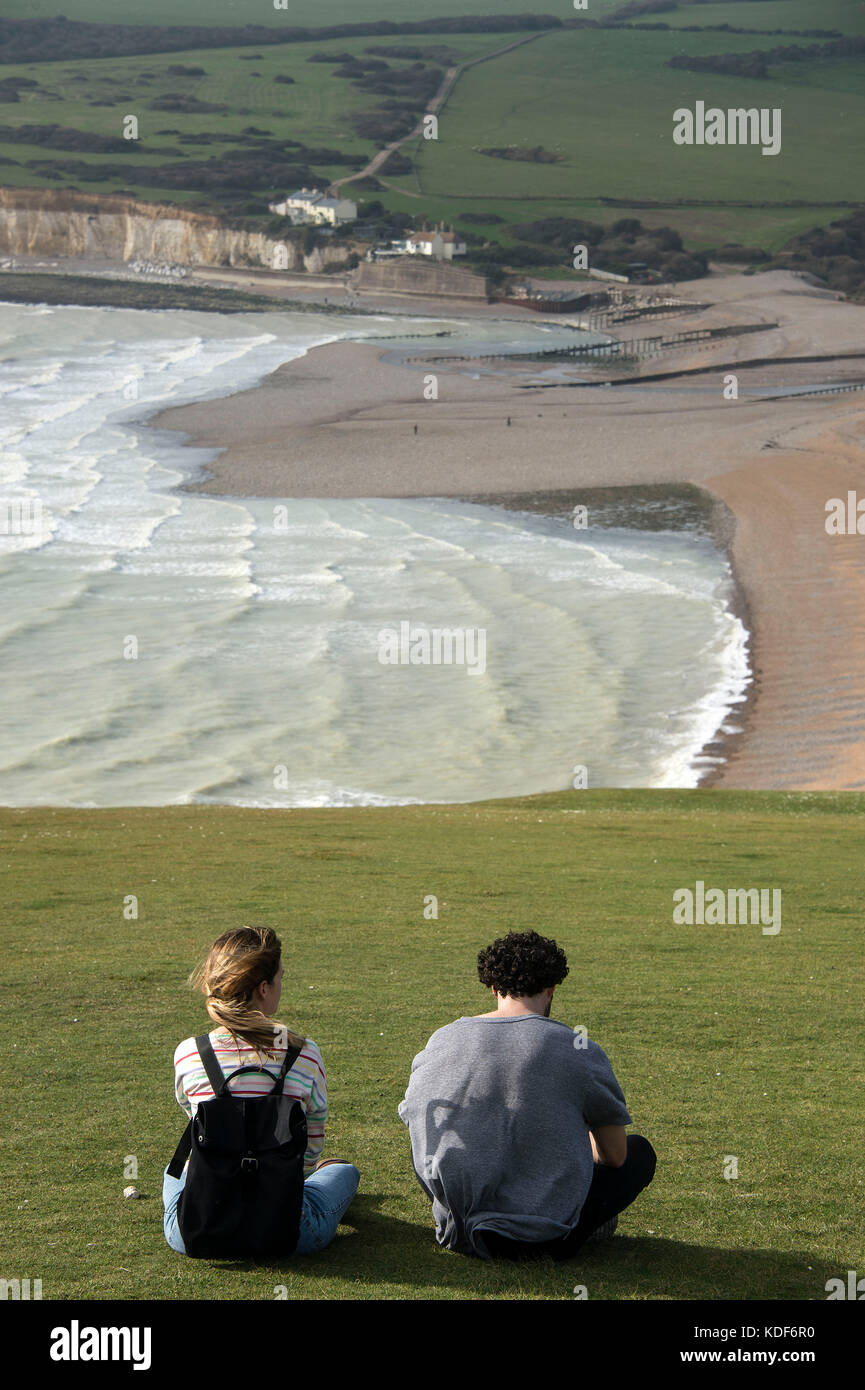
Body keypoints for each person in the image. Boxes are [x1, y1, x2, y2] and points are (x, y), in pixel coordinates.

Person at [398, 929, 656, 1260]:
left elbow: (417, 1120)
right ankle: (582, 1221)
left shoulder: (442, 1040)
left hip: (456, 1227)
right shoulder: (577, 1048)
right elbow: (615, 1156)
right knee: (638, 1152)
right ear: (551, 990)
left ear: (493, 988)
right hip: (542, 1235)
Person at [163, 926, 359, 1256]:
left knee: (178, 1170)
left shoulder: (189, 1052)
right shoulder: (305, 1054)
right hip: (288, 1230)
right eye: (281, 977)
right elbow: (309, 1154)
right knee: (345, 1172)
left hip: (199, 1230)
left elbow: (197, 1123)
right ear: (264, 988)